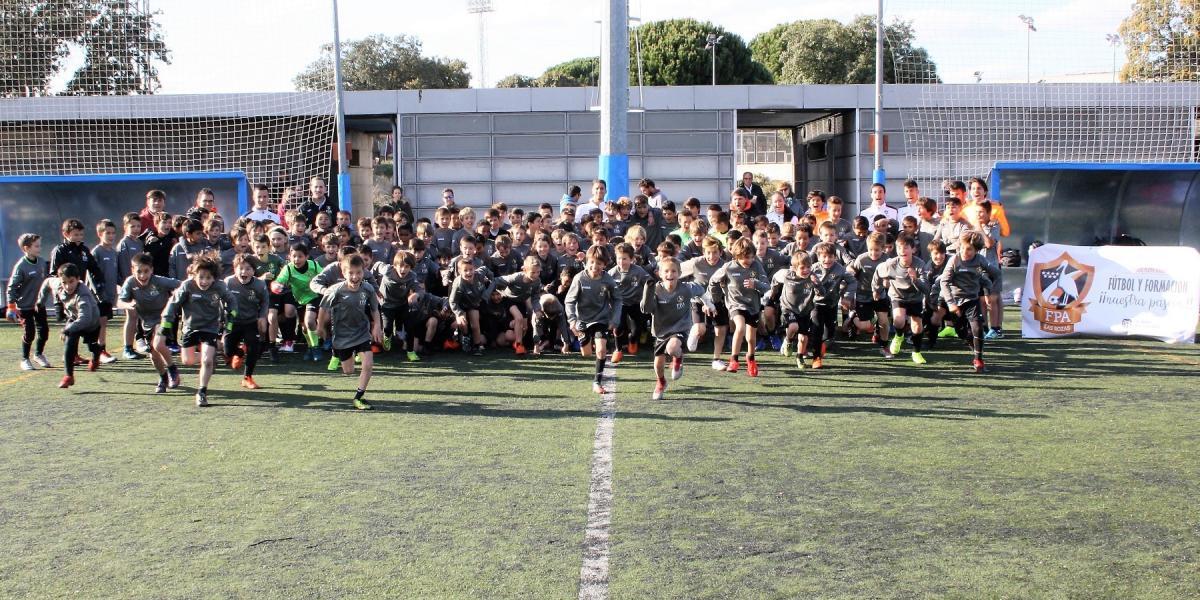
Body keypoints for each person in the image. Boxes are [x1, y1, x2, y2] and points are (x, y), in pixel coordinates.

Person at [159, 254, 236, 407]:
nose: (204, 281)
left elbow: (232, 301)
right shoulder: (187, 286)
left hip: (210, 327)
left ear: (214, 278)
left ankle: (202, 392)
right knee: (187, 361)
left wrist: (230, 321)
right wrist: (166, 325)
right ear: (194, 275)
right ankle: (211, 356)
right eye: (201, 277)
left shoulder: (220, 286)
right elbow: (172, 304)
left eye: (208, 278)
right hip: (190, 327)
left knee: (206, 361)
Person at [640, 257, 713, 400]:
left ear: (679, 273)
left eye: (673, 271)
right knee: (658, 365)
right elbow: (646, 309)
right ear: (660, 274)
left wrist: (708, 303)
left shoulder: (686, 288)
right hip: (661, 331)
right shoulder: (655, 290)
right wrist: (647, 290)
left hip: (680, 328)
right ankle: (661, 382)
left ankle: (678, 358)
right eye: (666, 271)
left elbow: (702, 291)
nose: (670, 274)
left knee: (672, 348)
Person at [317, 254, 382, 410]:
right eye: (351, 273)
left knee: (368, 364)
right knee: (349, 371)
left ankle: (359, 397)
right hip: (342, 336)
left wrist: (377, 326)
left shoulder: (368, 288)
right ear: (343, 273)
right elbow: (323, 308)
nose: (355, 276)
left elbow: (374, 309)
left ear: (363, 272)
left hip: (361, 332)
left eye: (358, 272)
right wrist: (320, 326)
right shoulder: (335, 291)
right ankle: (336, 354)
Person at [117, 253, 182, 393]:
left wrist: (176, 299)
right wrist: (128, 305)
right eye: (139, 272)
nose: (142, 275)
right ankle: (163, 377)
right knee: (153, 354)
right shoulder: (130, 283)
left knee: (158, 344)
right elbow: (120, 301)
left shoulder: (159, 281)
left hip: (164, 318)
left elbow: (182, 286)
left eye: (146, 271)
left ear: (151, 270)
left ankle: (172, 370)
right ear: (133, 270)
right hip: (147, 323)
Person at [940, 231, 1000, 373]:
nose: (965, 252)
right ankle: (970, 341)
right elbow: (944, 281)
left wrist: (990, 292)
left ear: (976, 250)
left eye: (969, 249)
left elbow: (996, 274)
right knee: (962, 333)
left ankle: (978, 360)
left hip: (972, 300)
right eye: (962, 248)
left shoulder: (980, 260)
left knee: (978, 328)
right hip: (955, 301)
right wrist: (951, 303)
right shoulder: (954, 260)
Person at [708, 237, 769, 376]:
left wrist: (756, 284)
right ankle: (734, 359)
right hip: (735, 304)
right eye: (744, 258)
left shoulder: (757, 266)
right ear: (736, 256)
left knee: (751, 338)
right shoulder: (729, 267)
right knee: (740, 327)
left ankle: (751, 358)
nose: (747, 261)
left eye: (750, 257)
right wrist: (716, 299)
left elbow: (767, 286)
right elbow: (713, 281)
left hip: (753, 306)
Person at [565, 246, 622, 395]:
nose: (595, 266)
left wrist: (614, 319)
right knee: (586, 354)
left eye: (599, 263)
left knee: (602, 350)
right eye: (592, 262)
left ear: (604, 265)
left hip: (601, 319)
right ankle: (583, 338)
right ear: (586, 261)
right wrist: (572, 321)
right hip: (583, 320)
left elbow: (617, 299)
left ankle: (597, 382)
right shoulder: (579, 278)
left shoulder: (607, 280)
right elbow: (570, 301)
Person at [43, 263, 104, 388]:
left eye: (71, 281)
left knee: (92, 346)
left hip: (90, 323)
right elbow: (47, 282)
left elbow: (85, 319)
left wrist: (66, 329)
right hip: (74, 318)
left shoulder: (84, 294)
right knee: (69, 343)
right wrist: (40, 302)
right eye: (64, 282)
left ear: (78, 279)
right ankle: (68, 376)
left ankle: (96, 356)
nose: (68, 286)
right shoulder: (58, 284)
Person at [873, 233, 930, 364]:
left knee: (917, 326)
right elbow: (877, 273)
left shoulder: (920, 265)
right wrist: (876, 290)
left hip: (915, 298)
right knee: (899, 320)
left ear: (913, 249)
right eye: (899, 248)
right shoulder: (891, 264)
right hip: (897, 296)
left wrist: (915, 279)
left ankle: (916, 352)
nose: (902, 251)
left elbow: (926, 288)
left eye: (905, 248)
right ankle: (899, 336)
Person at [764, 252, 818, 370]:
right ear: (794, 268)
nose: (806, 270)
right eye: (802, 268)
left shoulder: (813, 277)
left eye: (808, 267)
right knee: (793, 327)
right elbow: (775, 278)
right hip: (788, 307)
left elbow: (822, 292)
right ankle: (788, 341)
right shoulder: (786, 274)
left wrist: (817, 284)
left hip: (805, 309)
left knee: (803, 338)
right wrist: (773, 292)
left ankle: (799, 357)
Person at [224, 253, 269, 389]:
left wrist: (262, 316)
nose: (244, 272)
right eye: (241, 268)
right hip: (232, 322)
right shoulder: (228, 282)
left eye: (248, 268)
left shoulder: (259, 285)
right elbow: (219, 300)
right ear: (235, 268)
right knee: (227, 351)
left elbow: (265, 301)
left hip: (250, 321)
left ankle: (247, 377)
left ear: (254, 271)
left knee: (254, 347)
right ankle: (239, 352)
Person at [808, 242, 856, 369]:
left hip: (831, 304)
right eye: (823, 256)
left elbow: (853, 282)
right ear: (818, 257)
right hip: (816, 303)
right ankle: (816, 357)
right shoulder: (812, 268)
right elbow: (801, 279)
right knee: (817, 329)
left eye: (830, 257)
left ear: (835, 257)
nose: (827, 260)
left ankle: (824, 344)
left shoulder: (840, 269)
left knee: (830, 333)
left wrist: (847, 297)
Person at [273, 243, 324, 361]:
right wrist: (276, 286)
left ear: (306, 257)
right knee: (305, 327)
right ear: (289, 257)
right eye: (294, 256)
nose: (296, 259)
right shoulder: (288, 268)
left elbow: (325, 277)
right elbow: (279, 281)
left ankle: (316, 348)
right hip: (300, 300)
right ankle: (310, 348)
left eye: (300, 256)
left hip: (314, 296)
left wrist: (321, 284)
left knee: (310, 321)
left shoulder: (314, 266)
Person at [7, 234, 51, 371]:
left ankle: (38, 354)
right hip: (24, 306)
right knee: (30, 332)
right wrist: (11, 306)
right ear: (26, 248)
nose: (39, 248)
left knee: (44, 331)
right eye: (36, 246)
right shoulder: (21, 266)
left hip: (39, 305)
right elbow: (12, 287)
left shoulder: (42, 262)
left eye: (40, 245)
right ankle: (25, 359)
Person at [846, 232, 893, 358]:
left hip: (880, 294)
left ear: (883, 248)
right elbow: (852, 271)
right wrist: (850, 271)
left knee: (884, 321)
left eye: (877, 250)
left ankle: (884, 346)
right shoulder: (862, 258)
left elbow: (890, 279)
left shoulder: (887, 261)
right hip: (863, 295)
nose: (873, 253)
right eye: (871, 249)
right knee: (865, 326)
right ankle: (853, 317)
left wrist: (886, 283)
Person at [608, 243, 651, 363]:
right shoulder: (612, 273)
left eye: (625, 258)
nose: (621, 262)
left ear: (632, 259)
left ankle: (632, 340)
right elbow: (605, 287)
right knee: (618, 327)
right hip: (619, 304)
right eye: (619, 258)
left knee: (636, 329)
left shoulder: (638, 271)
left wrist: (649, 294)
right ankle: (618, 349)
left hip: (635, 303)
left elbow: (649, 283)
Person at [449, 256, 495, 356]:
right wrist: (459, 313)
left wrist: (490, 281)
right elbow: (452, 302)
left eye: (471, 269)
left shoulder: (480, 273)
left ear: (474, 268)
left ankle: (477, 346)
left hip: (473, 304)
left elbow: (488, 271)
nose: (469, 272)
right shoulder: (458, 283)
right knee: (462, 322)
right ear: (460, 271)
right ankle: (465, 336)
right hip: (461, 305)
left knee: (475, 323)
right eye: (465, 270)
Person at [90, 219, 121, 364]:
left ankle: (99, 349)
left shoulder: (114, 252)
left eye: (113, 233)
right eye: (107, 233)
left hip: (109, 294)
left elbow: (116, 275)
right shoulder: (97, 252)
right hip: (98, 296)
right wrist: (98, 293)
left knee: (103, 323)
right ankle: (100, 350)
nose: (111, 236)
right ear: (99, 234)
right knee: (100, 322)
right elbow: (91, 275)